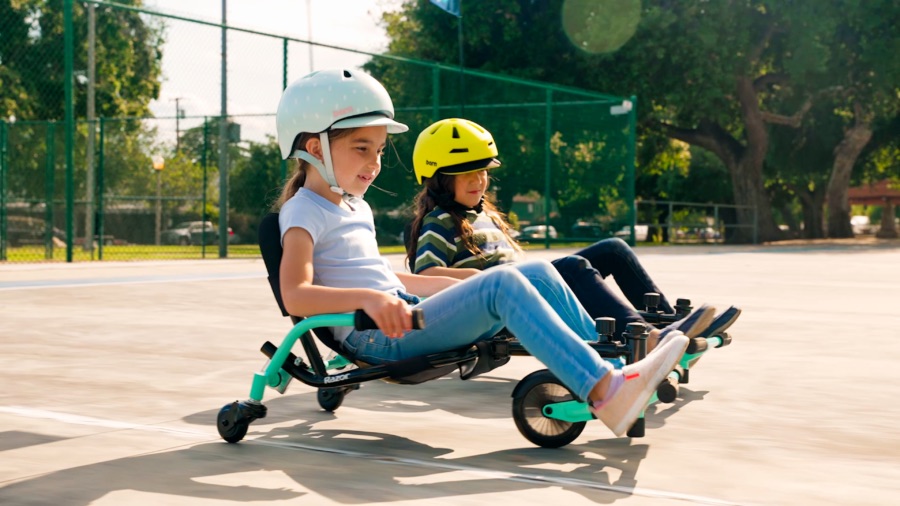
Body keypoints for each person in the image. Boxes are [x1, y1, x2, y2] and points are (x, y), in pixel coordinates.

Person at [274, 69, 693, 437]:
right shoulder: (303, 211)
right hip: (377, 337)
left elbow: (389, 280)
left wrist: (462, 281)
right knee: (505, 284)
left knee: (538, 273)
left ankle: (610, 365)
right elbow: (296, 294)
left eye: (380, 150)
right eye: (362, 148)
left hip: (407, 311)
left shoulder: (353, 206)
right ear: (315, 148)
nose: (376, 162)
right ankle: (608, 393)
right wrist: (368, 299)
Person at [406, 118, 741, 352]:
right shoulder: (440, 222)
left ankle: (670, 320)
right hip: (500, 305)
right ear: (437, 178)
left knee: (613, 248)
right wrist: (484, 278)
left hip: (528, 287)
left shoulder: (483, 214)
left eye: (482, 171)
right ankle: (650, 338)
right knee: (572, 266)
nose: (478, 180)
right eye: (466, 173)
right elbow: (424, 275)